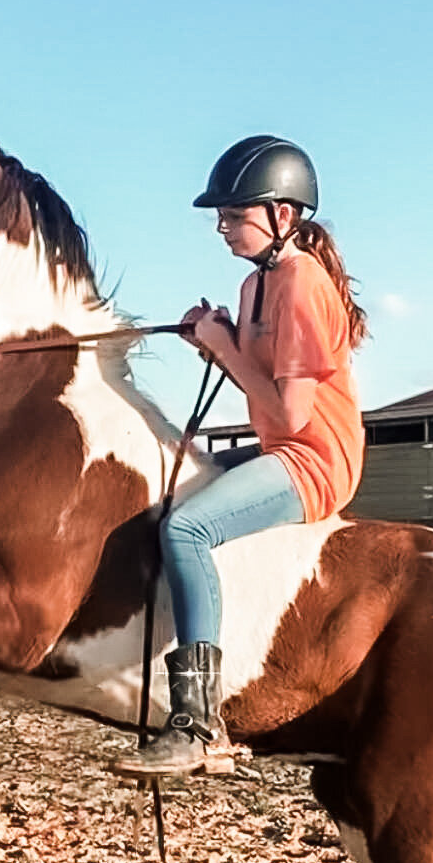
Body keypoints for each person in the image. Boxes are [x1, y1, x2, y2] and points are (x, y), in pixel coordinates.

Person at [112, 135, 368, 779]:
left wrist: (222, 347)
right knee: (173, 491)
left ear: (283, 215)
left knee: (188, 527)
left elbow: (290, 416)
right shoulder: (257, 284)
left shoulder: (304, 285)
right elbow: (256, 373)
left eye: (235, 213)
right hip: (286, 445)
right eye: (220, 216)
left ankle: (198, 725)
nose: (222, 226)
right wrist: (216, 340)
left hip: (315, 460)